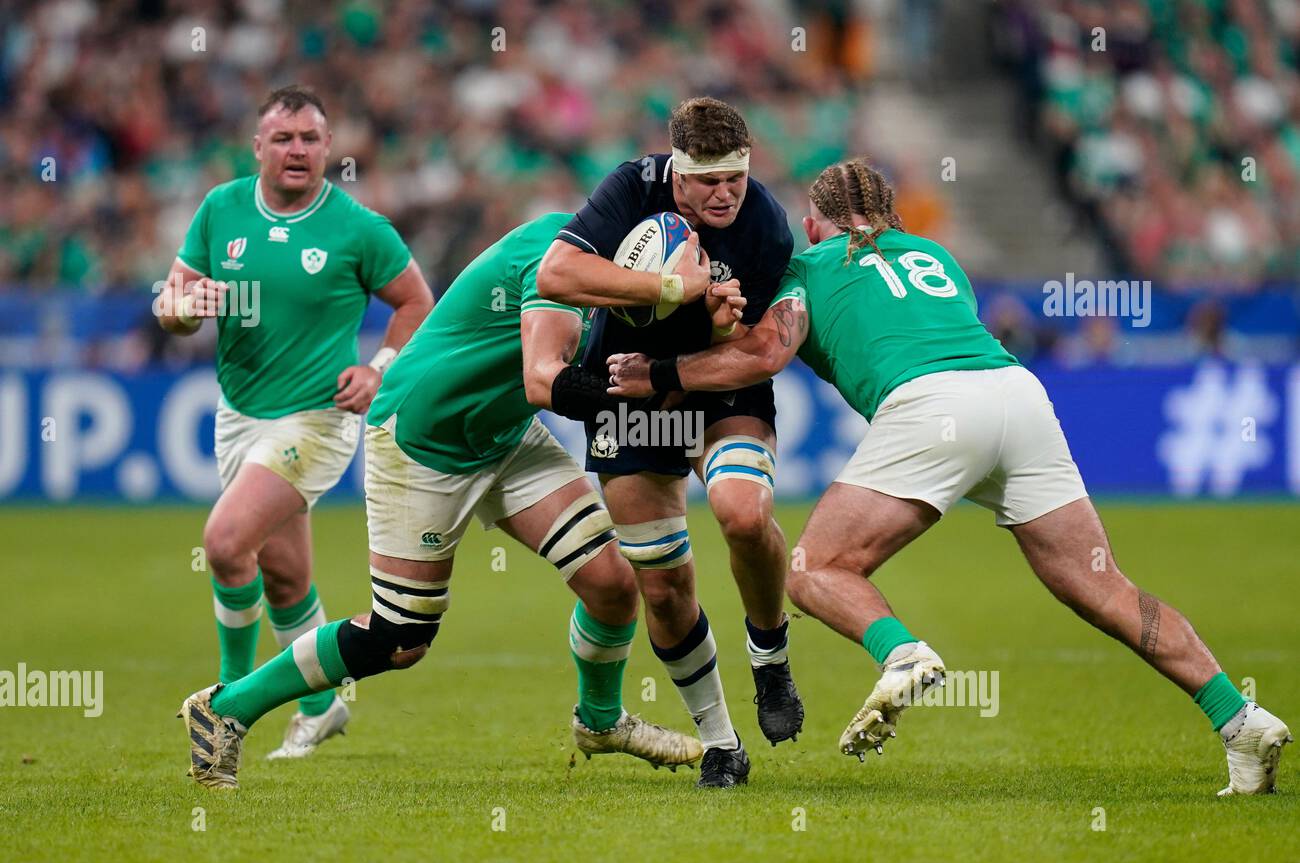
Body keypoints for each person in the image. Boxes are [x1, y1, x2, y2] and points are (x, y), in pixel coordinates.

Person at [607, 157, 1292, 796]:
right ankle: (1240, 719)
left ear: (814, 226)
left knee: (814, 570)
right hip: (1018, 396)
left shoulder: (807, 267)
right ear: (893, 215)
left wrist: (658, 371)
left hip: (933, 405)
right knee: (1103, 585)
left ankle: (902, 654)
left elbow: (762, 355)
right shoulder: (936, 255)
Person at [179, 213, 701, 789]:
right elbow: (547, 381)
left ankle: (600, 722)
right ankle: (225, 708)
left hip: (504, 435)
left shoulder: (615, 266)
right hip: (423, 440)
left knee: (612, 584)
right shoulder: (553, 254)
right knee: (400, 638)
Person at [156, 86, 433, 759]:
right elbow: (171, 302)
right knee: (282, 577)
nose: (297, 150)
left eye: (310, 138)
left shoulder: (358, 228)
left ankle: (224, 705)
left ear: (329, 147)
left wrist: (379, 368)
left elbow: (416, 302)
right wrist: (185, 309)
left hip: (316, 420)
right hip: (238, 415)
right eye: (283, 138)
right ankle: (318, 705)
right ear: (258, 147)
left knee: (225, 542)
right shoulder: (221, 209)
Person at [537, 97, 798, 787]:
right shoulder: (632, 186)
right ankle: (721, 743)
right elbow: (555, 275)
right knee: (663, 586)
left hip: (715, 386)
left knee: (744, 514)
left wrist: (716, 323)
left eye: (735, 177)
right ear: (676, 172)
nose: (724, 194)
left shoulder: (767, 226)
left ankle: (770, 655)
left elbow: (748, 348)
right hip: (629, 388)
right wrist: (672, 286)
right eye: (707, 180)